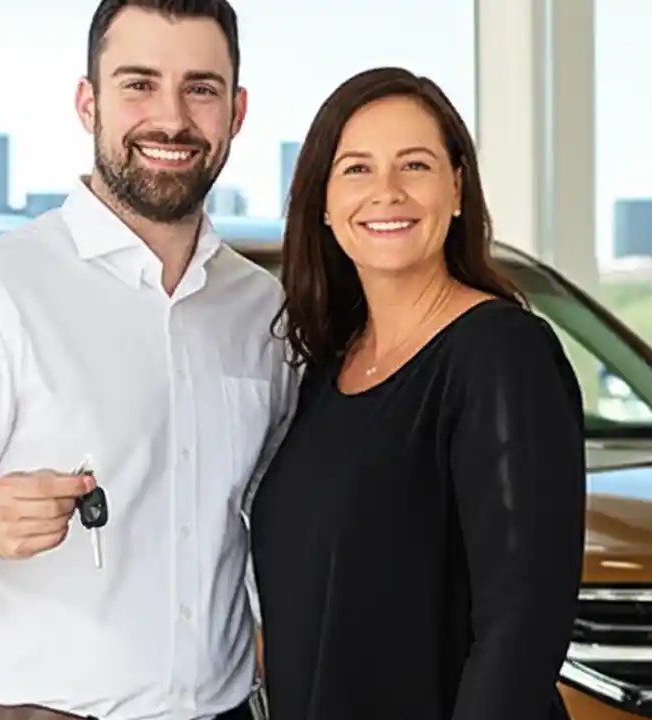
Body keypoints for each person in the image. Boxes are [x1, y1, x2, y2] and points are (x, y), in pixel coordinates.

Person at [0, 2, 293, 719]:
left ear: (236, 111)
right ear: (88, 102)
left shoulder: (263, 311)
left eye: (201, 88)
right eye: (138, 84)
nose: (171, 118)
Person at [249, 67, 588, 719]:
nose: (387, 193)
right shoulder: (326, 368)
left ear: (456, 188)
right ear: (322, 201)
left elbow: (520, 631)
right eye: (356, 169)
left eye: (415, 165)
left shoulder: (501, 355)